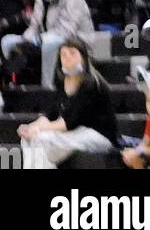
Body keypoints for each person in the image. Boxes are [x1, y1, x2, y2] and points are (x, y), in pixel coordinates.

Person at [18, 37, 117, 168]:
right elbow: (50, 114)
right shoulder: (62, 81)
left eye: (72, 53)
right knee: (28, 137)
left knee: (42, 139)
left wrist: (37, 129)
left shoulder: (91, 83)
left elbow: (68, 123)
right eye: (63, 54)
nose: (67, 57)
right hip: (76, 132)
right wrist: (30, 127)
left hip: (98, 135)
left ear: (83, 57)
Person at [1, 0, 94, 88]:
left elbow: (68, 30)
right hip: (46, 38)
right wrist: (26, 40)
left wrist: (38, 40)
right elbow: (34, 25)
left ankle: (47, 85)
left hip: (77, 40)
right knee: (7, 41)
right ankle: (9, 81)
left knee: (50, 42)